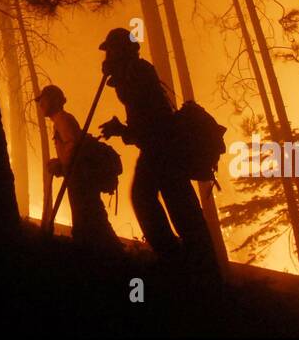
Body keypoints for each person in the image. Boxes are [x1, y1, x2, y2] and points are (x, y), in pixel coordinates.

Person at [96, 28, 218, 273]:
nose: (107, 55)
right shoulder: (135, 72)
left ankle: (185, 261)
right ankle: (193, 261)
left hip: (162, 148)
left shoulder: (137, 72)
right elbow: (143, 117)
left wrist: (123, 130)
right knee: (174, 202)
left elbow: (149, 118)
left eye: (111, 49)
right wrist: (123, 129)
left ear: (123, 49)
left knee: (160, 200)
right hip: (159, 147)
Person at [39, 84, 120, 252]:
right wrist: (61, 165)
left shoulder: (63, 119)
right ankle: (108, 252)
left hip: (81, 180)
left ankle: (105, 253)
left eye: (44, 100)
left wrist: (61, 165)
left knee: (88, 216)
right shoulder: (60, 121)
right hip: (79, 177)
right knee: (91, 215)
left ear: (53, 100)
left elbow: (74, 145)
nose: (41, 105)